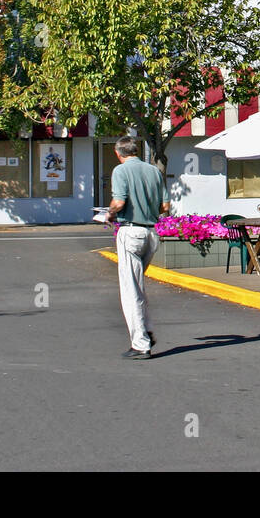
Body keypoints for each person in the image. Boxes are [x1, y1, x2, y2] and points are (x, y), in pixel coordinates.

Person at [106, 136, 169, 360]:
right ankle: (146, 329)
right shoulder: (154, 172)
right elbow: (165, 206)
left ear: (118, 152)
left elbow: (119, 202)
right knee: (138, 285)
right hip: (151, 232)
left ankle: (140, 343)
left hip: (130, 231)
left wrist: (109, 213)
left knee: (131, 289)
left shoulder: (120, 171)